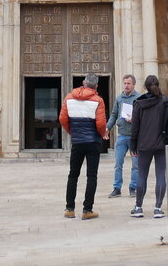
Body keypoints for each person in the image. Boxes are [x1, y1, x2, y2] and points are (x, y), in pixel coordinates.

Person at [128, 74, 168, 219]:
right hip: (161, 143)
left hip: (144, 144)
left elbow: (135, 127)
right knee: (161, 175)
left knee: (142, 175)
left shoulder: (139, 103)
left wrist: (133, 145)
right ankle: (158, 208)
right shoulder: (166, 101)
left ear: (145, 87)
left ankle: (138, 207)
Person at [59, 73, 107, 219]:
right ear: (96, 86)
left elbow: (62, 119)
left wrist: (73, 132)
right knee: (91, 176)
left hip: (77, 141)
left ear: (83, 82)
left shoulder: (69, 97)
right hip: (93, 142)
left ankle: (69, 209)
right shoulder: (98, 100)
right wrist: (102, 134)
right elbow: (101, 124)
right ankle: (87, 210)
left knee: (73, 175)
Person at [105, 74, 140, 198]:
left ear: (134, 84)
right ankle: (117, 188)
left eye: (129, 83)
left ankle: (133, 187)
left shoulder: (139, 98)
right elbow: (114, 114)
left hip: (134, 137)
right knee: (118, 163)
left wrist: (134, 119)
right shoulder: (119, 98)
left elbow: (143, 117)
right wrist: (108, 128)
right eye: (125, 83)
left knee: (136, 164)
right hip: (121, 136)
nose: (126, 85)